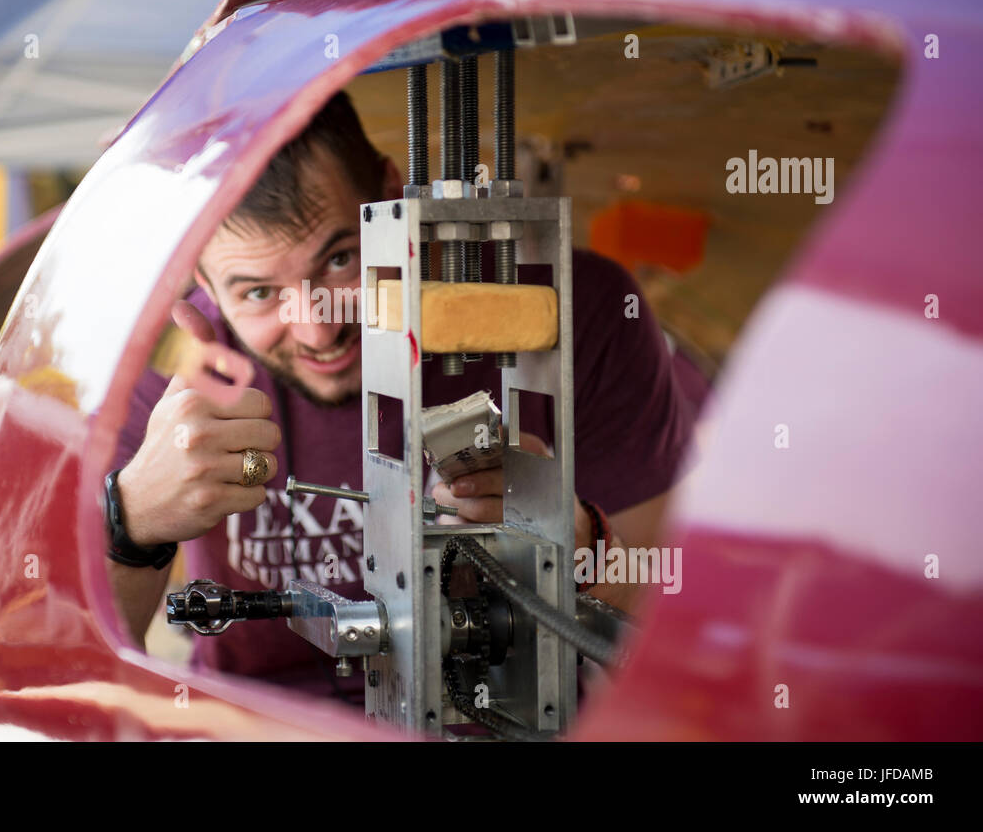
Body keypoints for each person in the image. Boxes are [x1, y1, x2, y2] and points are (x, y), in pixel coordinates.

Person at [108, 91, 703, 700]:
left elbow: (680, 620)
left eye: (341, 259)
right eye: (259, 293)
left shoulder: (573, 311)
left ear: (392, 195)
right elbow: (64, 661)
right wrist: (133, 523)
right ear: (202, 278)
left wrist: (580, 546)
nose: (318, 330)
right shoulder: (163, 375)